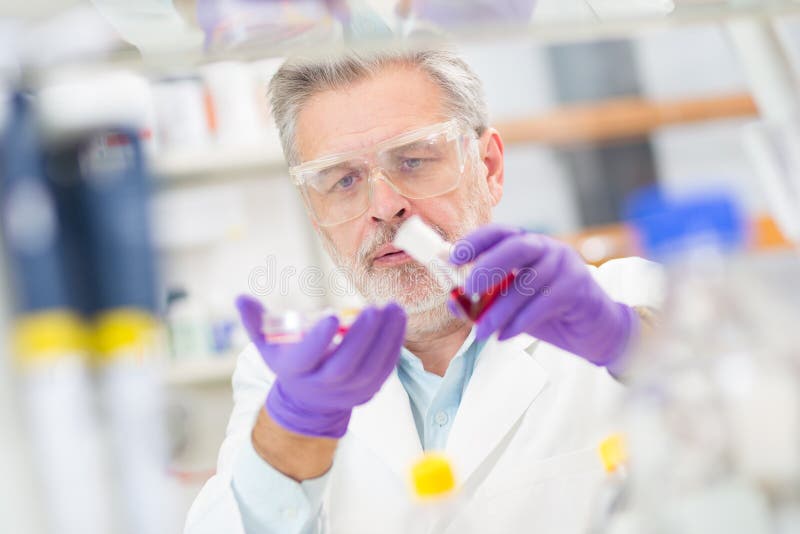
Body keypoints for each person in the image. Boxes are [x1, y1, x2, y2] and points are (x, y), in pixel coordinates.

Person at [184, 47, 663, 534]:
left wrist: (628, 343)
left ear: (489, 168)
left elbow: (735, 443)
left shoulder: (627, 299)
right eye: (343, 180)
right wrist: (292, 434)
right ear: (315, 213)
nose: (385, 207)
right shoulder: (285, 377)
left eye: (413, 160)